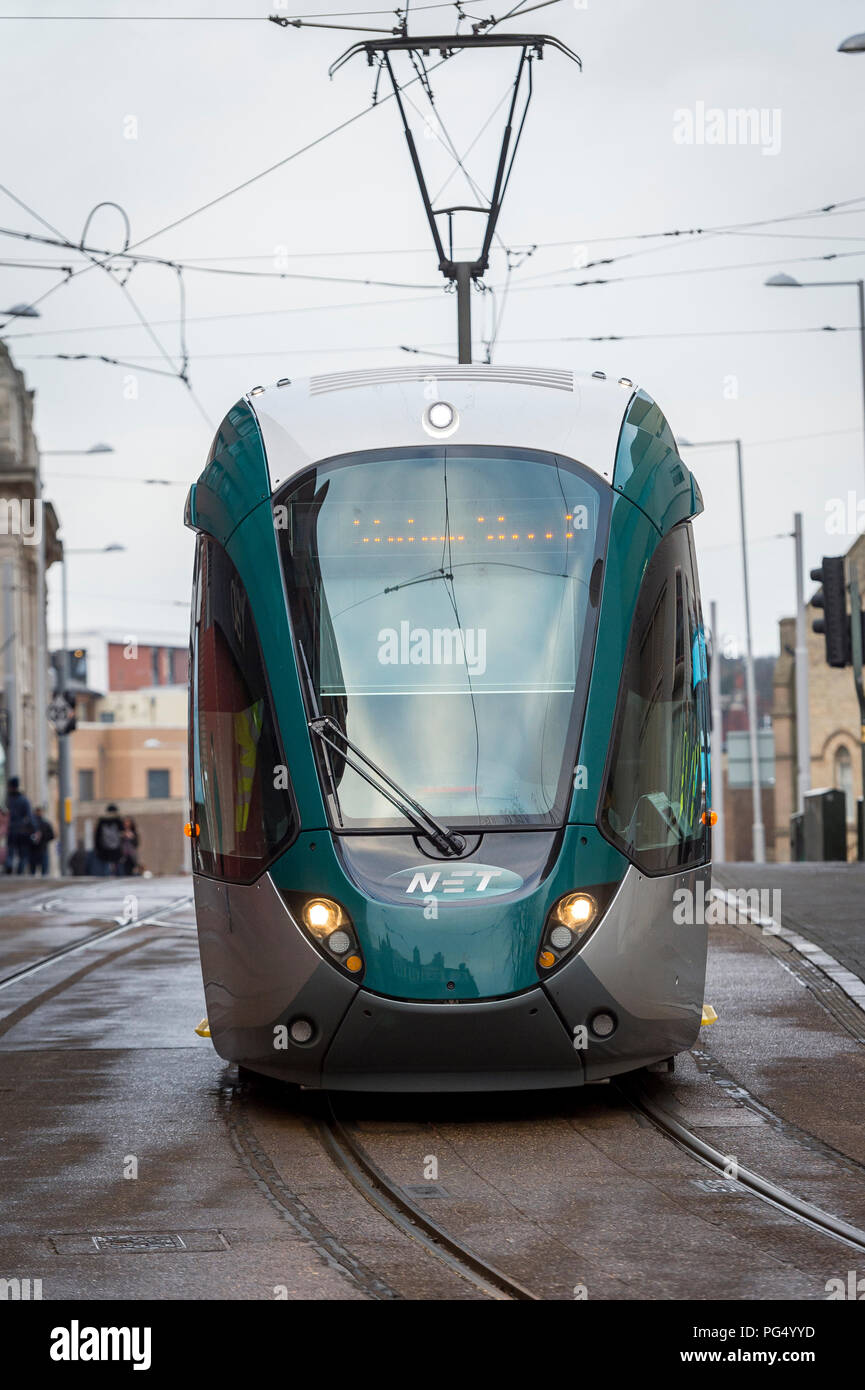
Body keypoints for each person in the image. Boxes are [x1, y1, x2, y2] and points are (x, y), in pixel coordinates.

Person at [4, 778, 34, 875]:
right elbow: (30, 816)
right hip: (22, 829)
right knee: (23, 853)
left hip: (11, 828)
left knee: (11, 850)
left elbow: (5, 813)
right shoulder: (24, 800)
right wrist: (34, 829)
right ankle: (19, 871)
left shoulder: (9, 799)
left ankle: (9, 865)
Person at [93, 803, 125, 876]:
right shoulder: (118, 820)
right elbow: (122, 834)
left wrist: (97, 848)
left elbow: (97, 836)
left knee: (105, 868)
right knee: (118, 868)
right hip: (116, 848)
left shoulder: (101, 821)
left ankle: (106, 878)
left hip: (104, 848)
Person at [28, 807, 55, 876]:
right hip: (36, 849)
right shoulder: (32, 823)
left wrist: (42, 837)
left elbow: (52, 835)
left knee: (39, 870)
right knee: (39, 870)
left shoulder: (44, 824)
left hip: (40, 848)